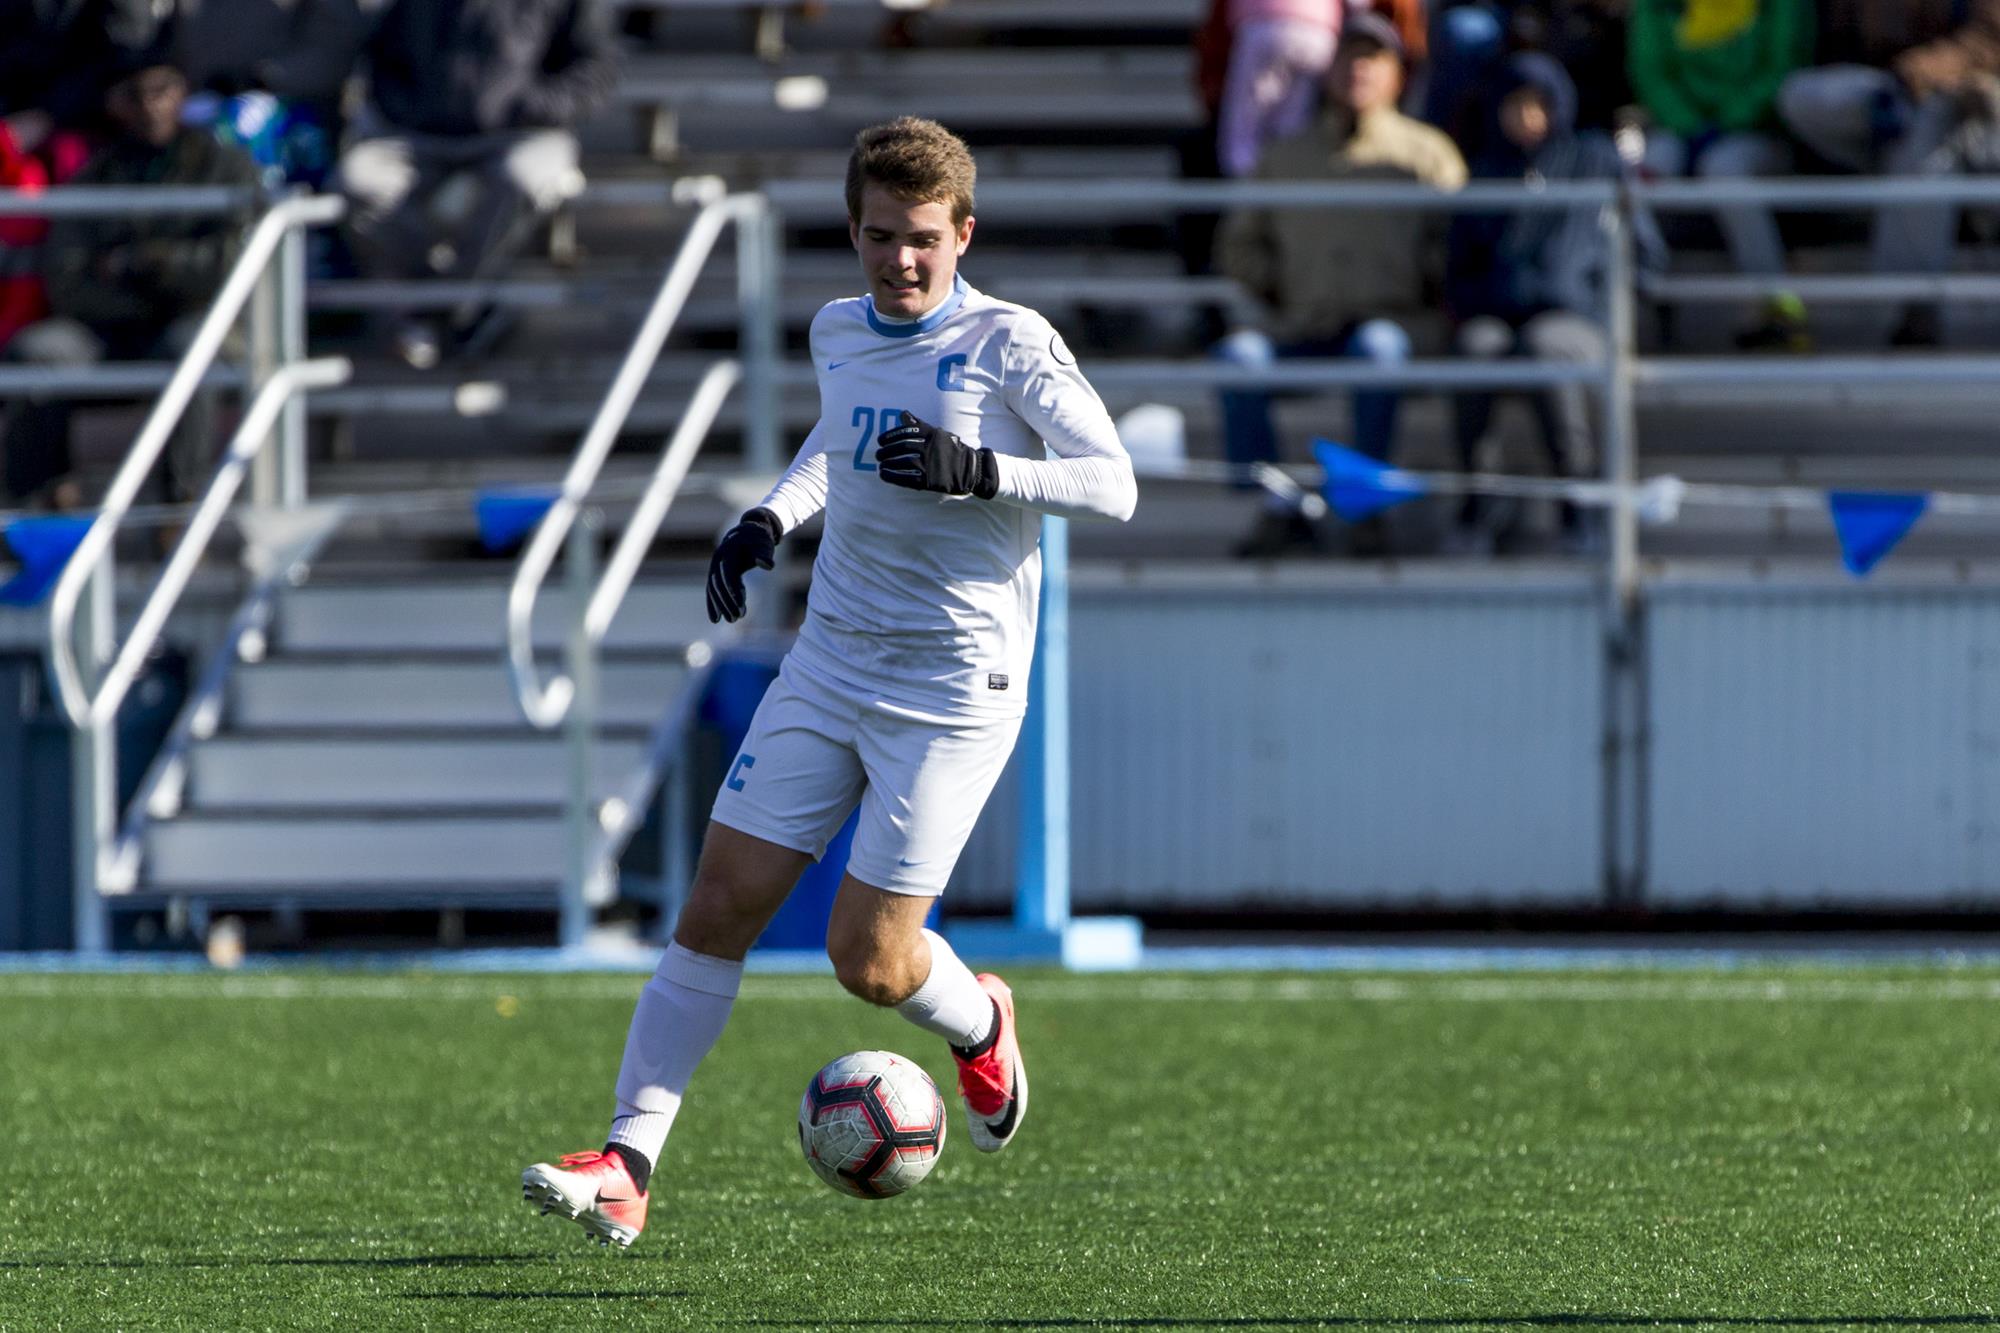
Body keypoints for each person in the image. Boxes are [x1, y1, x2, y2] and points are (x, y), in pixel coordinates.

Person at [519, 117, 1138, 1251]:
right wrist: (770, 515)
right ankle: (626, 1162)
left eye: (920, 242)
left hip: (953, 685)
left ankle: (979, 1018)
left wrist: (980, 470)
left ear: (962, 232)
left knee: (870, 961)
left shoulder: (1011, 342)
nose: (899, 264)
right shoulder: (837, 330)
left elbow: (1114, 484)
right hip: (831, 654)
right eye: (876, 238)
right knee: (715, 906)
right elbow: (835, 439)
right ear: (850, 232)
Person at [1213, 12, 1466, 557]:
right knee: (1239, 356)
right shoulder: (1287, 157)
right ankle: (1278, 503)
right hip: (1306, 322)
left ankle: (1363, 508)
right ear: (1329, 70)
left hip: (1395, 324)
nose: (1359, 71)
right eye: (1349, 57)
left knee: (1379, 349)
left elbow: (1460, 246)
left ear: (1397, 74)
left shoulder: (1428, 156)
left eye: (1373, 59)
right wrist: (1278, 286)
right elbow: (1239, 244)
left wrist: (1423, 285)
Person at [1, 53, 260, 508]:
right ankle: (41, 505)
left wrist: (144, 262)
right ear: (115, 104)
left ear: (182, 93)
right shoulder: (95, 175)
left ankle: (178, 509)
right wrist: (142, 294)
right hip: (110, 328)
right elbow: (67, 279)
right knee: (38, 353)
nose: (149, 106)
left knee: (191, 348)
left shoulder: (225, 168)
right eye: (134, 95)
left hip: (189, 319)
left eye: (160, 90)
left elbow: (228, 265)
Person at [1445, 52, 1659, 552]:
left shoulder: (1595, 161)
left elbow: (1644, 252)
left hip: (1579, 319)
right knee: (1475, 348)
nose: (1526, 117)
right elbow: (1459, 267)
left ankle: (1580, 500)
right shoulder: (1484, 171)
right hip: (1499, 319)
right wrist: (1493, 295)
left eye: (1537, 105)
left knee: (1548, 347)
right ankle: (1480, 497)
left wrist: (1604, 302)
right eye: (1514, 105)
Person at [335, 0, 617, 367]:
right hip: (415, 133)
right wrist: (401, 103)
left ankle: (455, 311)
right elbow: (374, 44)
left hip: (523, 133)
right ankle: (431, 302)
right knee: (358, 180)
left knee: (523, 177)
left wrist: (530, 106)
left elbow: (596, 65)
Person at [1777, 0, 2000, 346]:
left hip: (1951, 97)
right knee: (1799, 95)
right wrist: (1891, 91)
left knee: (1923, 134)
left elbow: (1988, 38)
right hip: (1879, 93)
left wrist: (1919, 74)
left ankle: (1914, 308)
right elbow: (1830, 45)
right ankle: (1906, 301)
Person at [1628, 0, 1814, 350]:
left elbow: (1782, 68)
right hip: (1679, 127)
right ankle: (1645, 306)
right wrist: (1689, 125)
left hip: (1755, 130)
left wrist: (1729, 120)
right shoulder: (1655, 7)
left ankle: (1776, 306)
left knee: (1724, 171)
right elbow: (1650, 72)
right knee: (1642, 177)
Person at [1216, 0, 1344, 178]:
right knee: (1296, 116)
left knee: (1247, 118)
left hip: (1263, 23)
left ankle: (1245, 180)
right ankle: (1284, 176)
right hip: (1320, 33)